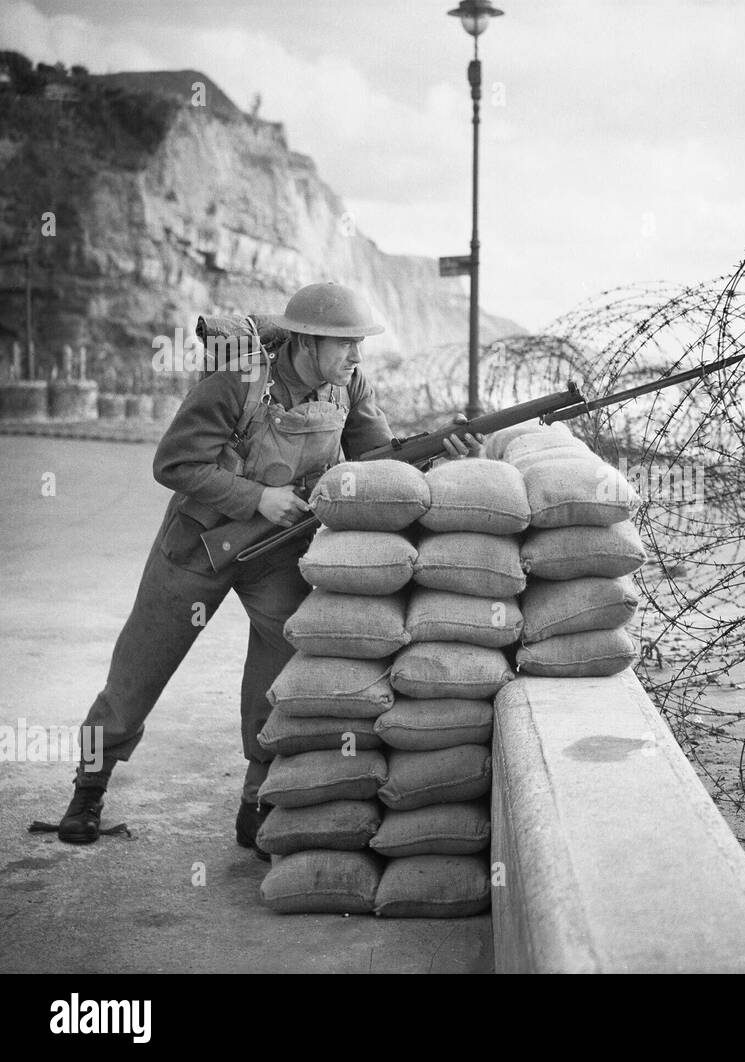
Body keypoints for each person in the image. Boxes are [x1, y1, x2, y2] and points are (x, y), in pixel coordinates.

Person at [57, 282, 482, 858]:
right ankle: (87, 791)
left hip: (279, 551)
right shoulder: (238, 378)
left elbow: (377, 462)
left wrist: (439, 451)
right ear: (306, 341)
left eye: (358, 344)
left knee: (276, 684)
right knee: (137, 672)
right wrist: (257, 497)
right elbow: (175, 462)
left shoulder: (348, 386)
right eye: (345, 344)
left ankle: (256, 803)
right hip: (200, 544)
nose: (357, 356)